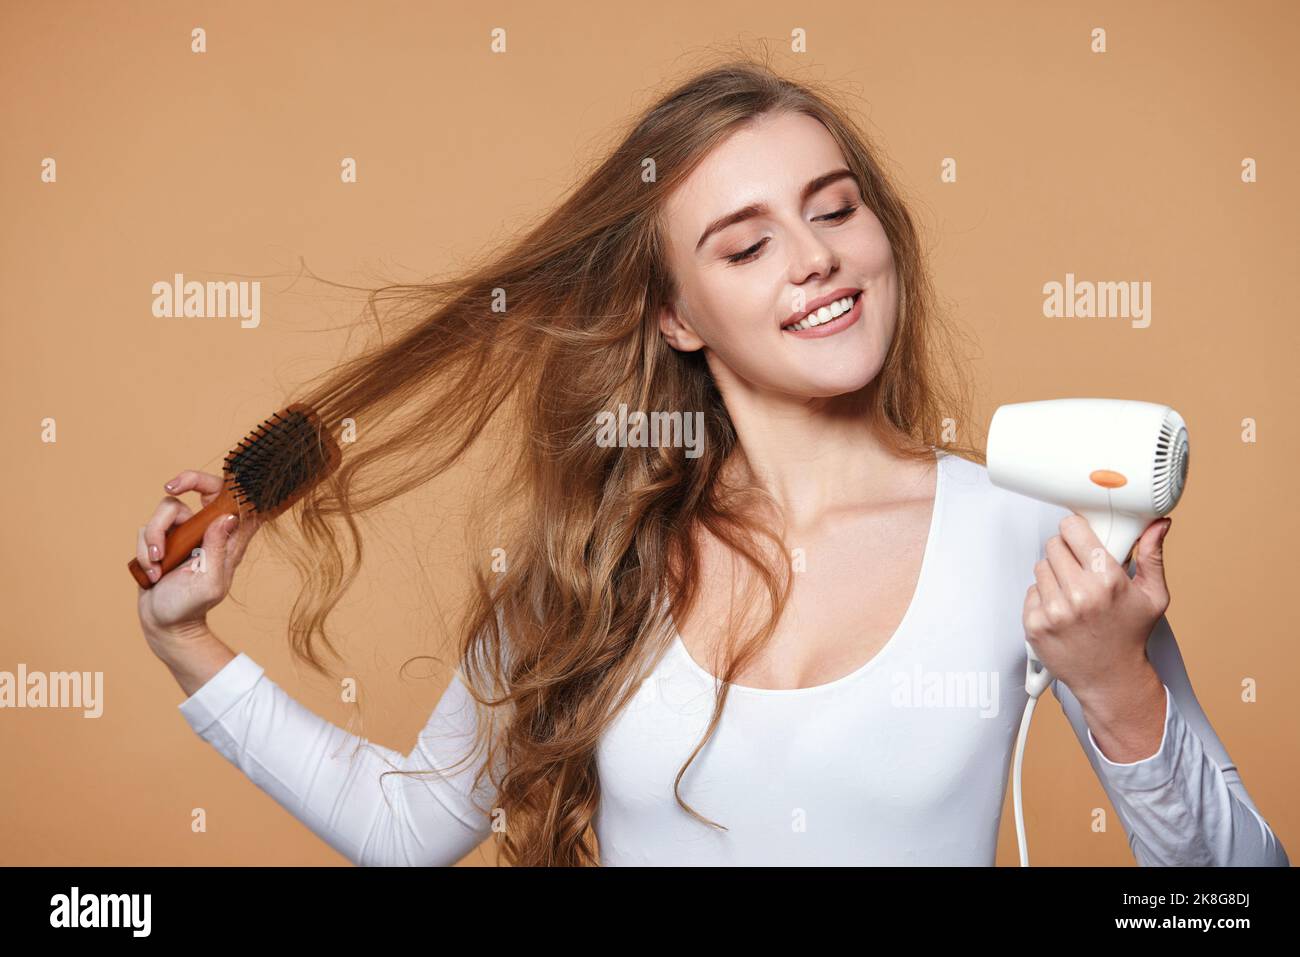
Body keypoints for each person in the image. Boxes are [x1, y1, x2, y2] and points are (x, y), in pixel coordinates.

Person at [134, 57, 1289, 867]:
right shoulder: (599, 565)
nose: (815, 261)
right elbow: (403, 830)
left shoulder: (1030, 538)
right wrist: (185, 640)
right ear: (677, 316)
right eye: (746, 244)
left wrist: (1116, 683)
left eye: (834, 211)